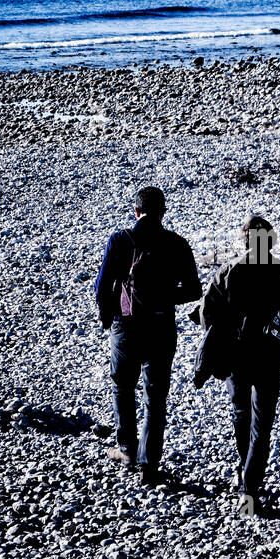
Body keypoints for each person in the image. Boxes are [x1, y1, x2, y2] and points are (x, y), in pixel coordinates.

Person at [194, 214, 280, 515]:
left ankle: (244, 472)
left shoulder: (230, 271)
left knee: (241, 414)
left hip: (236, 356)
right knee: (262, 424)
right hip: (270, 358)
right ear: (271, 240)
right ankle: (249, 489)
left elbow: (206, 312)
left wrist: (215, 340)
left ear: (244, 240)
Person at [94, 185, 201, 487]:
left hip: (125, 325)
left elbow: (102, 288)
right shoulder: (177, 244)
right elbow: (194, 291)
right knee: (155, 396)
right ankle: (149, 465)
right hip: (161, 326)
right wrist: (165, 296)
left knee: (123, 386)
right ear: (163, 212)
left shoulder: (120, 240)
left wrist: (109, 319)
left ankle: (127, 449)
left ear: (136, 211)